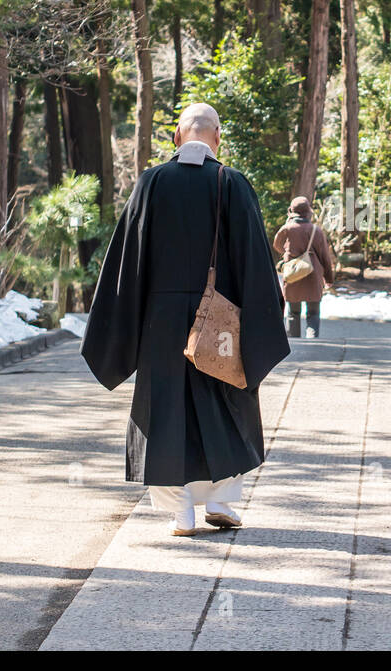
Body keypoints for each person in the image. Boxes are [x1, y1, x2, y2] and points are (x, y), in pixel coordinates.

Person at [82, 103, 290, 537]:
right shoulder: (231, 183)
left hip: (161, 322)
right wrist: (260, 323)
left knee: (166, 410)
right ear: (218, 138)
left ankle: (182, 514)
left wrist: (126, 325)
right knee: (226, 403)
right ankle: (220, 500)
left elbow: (127, 260)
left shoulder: (152, 182)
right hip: (220, 324)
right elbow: (255, 262)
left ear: (176, 138)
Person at [273, 196, 335, 339]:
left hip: (293, 273)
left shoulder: (287, 229)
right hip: (313, 275)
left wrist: (289, 252)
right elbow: (325, 257)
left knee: (293, 313)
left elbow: (277, 245)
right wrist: (329, 278)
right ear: (308, 212)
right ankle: (312, 340)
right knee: (313, 312)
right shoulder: (316, 230)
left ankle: (294, 341)